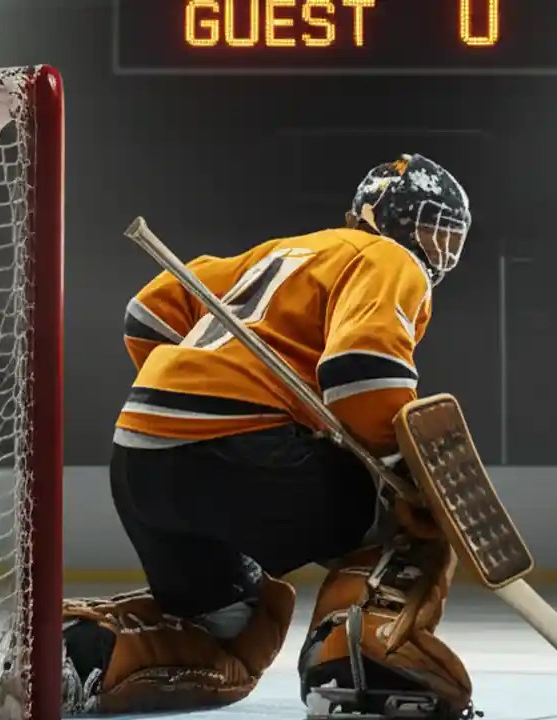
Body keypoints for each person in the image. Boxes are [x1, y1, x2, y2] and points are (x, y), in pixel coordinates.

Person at [61, 154, 476, 718]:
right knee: (413, 521)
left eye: (450, 241)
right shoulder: (388, 258)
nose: (439, 253)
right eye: (432, 231)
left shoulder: (277, 252)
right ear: (387, 218)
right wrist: (408, 477)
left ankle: (92, 656)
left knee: (232, 627)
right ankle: (359, 670)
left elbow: (148, 314)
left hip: (138, 459)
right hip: (235, 453)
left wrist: (190, 378)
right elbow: (361, 371)